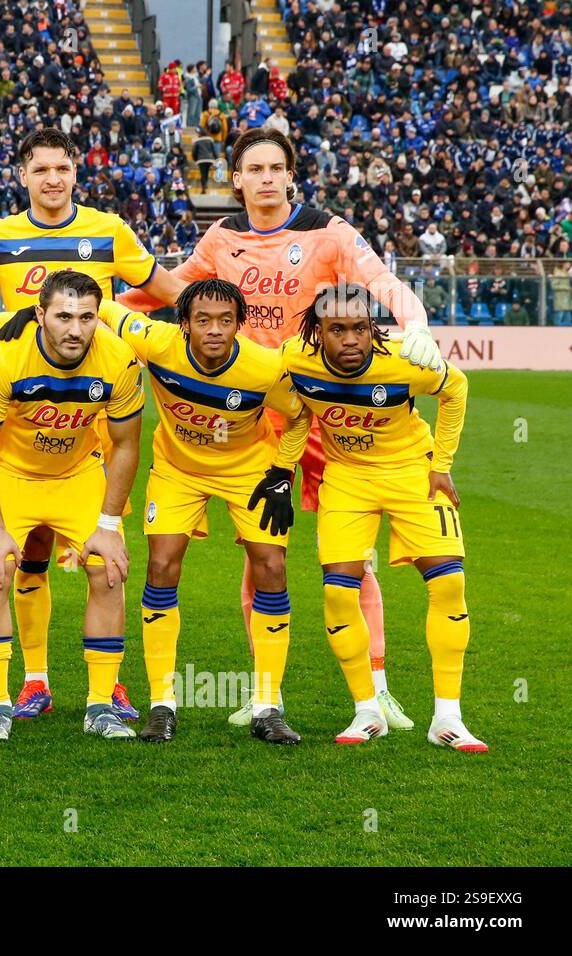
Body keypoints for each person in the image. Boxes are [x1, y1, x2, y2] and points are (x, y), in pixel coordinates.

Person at [116, 126, 444, 729]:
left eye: (276, 168)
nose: (266, 178)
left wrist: (415, 322)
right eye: (254, 169)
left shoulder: (329, 231)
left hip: (325, 407)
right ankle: (263, 693)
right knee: (259, 551)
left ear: (290, 174)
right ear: (235, 179)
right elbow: (175, 292)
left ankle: (376, 688)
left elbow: (381, 284)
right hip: (250, 409)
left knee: (355, 556)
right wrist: (105, 316)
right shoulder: (221, 239)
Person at [0, 126, 182, 719]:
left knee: (104, 559)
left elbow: (164, 289)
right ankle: (33, 680)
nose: (52, 179)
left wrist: (220, 319)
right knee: (24, 555)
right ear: (23, 175)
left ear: (75, 173)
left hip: (92, 415)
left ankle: (104, 685)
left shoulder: (109, 230)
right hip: (18, 414)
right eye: (41, 170)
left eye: (63, 168)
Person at [282, 285, 485, 752]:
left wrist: (442, 464)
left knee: (449, 584)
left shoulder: (404, 359)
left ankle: (447, 718)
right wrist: (281, 469)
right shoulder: (295, 360)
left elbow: (456, 388)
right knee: (337, 592)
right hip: (347, 478)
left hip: (414, 472)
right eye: (338, 330)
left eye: (360, 327)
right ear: (317, 332)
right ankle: (367, 709)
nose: (351, 339)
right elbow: (296, 412)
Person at [110, 279, 309, 744]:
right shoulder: (156, 344)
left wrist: (283, 471)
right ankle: (162, 704)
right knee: (160, 565)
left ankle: (267, 705)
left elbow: (299, 415)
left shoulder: (264, 368)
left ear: (240, 325)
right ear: (183, 325)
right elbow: (103, 309)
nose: (214, 330)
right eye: (203, 320)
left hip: (249, 470)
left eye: (225, 321)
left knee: (272, 567)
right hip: (178, 470)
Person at [0, 271, 143, 742]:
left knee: (108, 565)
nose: (75, 329)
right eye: (63, 316)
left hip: (76, 474)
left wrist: (107, 525)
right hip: (9, 474)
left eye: (86, 317)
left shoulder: (119, 361)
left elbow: (126, 446)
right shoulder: (4, 357)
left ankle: (100, 705)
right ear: (41, 314)